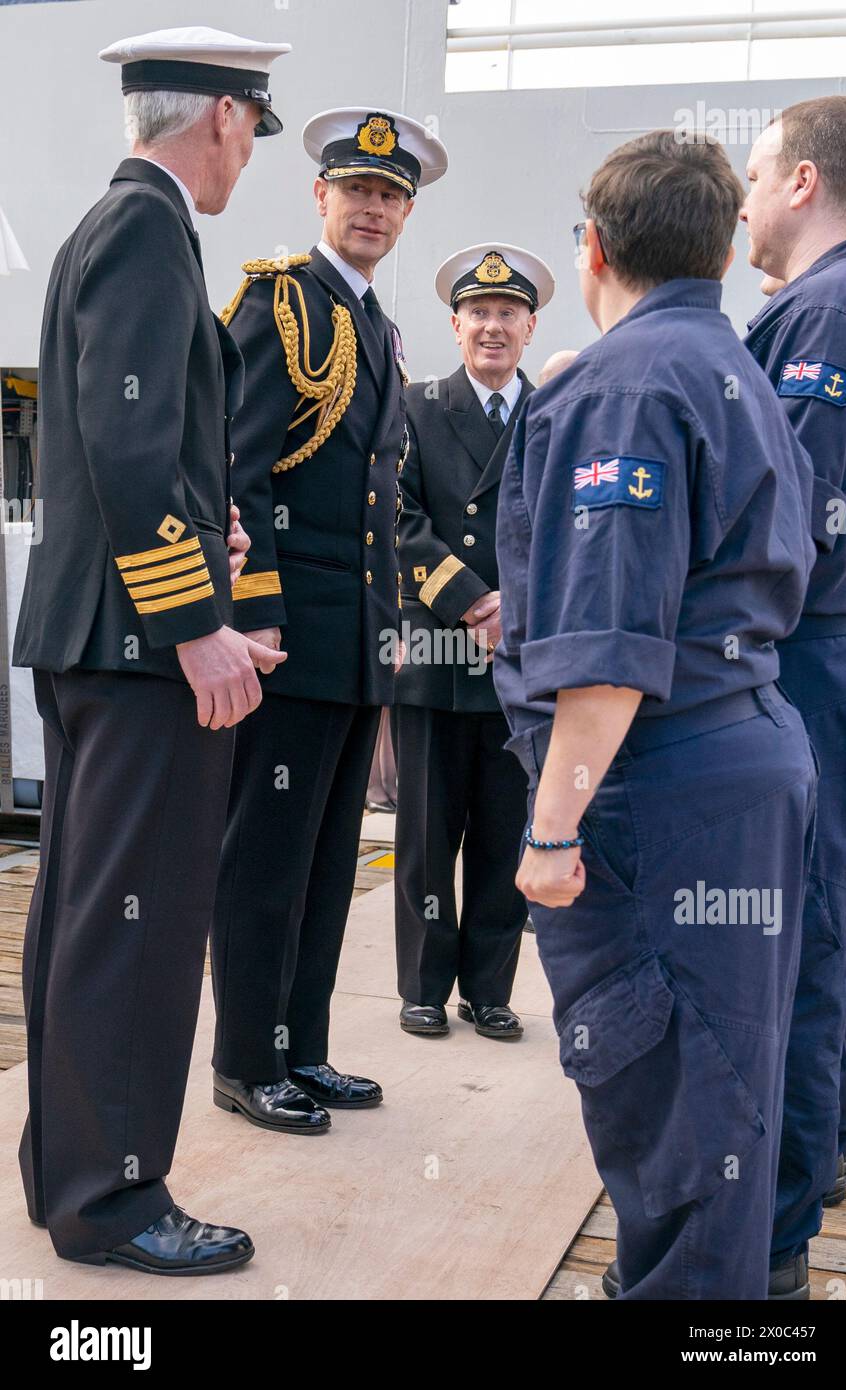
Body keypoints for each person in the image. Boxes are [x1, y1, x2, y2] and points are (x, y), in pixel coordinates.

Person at [494, 130, 817, 1300]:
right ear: (727, 247)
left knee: (672, 1105)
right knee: (720, 1090)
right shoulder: (724, 362)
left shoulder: (624, 384)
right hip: (736, 751)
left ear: (591, 248)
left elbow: (607, 654)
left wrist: (546, 833)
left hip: (657, 778)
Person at [12, 25, 291, 1273]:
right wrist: (197, 627)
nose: (247, 157)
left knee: (86, 915)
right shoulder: (147, 227)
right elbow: (121, 452)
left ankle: (69, 1174)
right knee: (133, 924)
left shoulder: (107, 225)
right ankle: (114, 1201)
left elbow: (118, 443)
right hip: (135, 649)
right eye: (253, 132)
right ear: (225, 118)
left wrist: (201, 505)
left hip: (99, 638)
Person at [209, 108, 448, 1131]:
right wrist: (256, 619)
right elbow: (239, 470)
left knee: (325, 856)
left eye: (390, 196)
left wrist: (384, 631)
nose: (372, 207)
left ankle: (299, 1047)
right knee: (266, 855)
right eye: (355, 189)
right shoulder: (282, 302)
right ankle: (241, 1059)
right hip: (288, 640)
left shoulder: (378, 328)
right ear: (320, 197)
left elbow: (378, 504)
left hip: (353, 648)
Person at [742, 94, 846, 1297]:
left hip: (812, 658)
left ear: (800, 181)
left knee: (806, 940)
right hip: (842, 655)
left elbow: (782, 525)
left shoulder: (826, 310)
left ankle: (770, 1246)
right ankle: (817, 1156)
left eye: (754, 170)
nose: (739, 197)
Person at [393, 243, 553, 1039]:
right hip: (435, 652)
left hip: (518, 658)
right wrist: (472, 599)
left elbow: (568, 528)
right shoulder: (416, 408)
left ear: (529, 328)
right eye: (479, 314)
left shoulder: (554, 416)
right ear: (455, 327)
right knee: (427, 833)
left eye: (508, 315)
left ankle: (489, 988)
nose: (493, 328)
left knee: (501, 828)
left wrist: (512, 608)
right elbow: (398, 519)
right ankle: (423, 985)